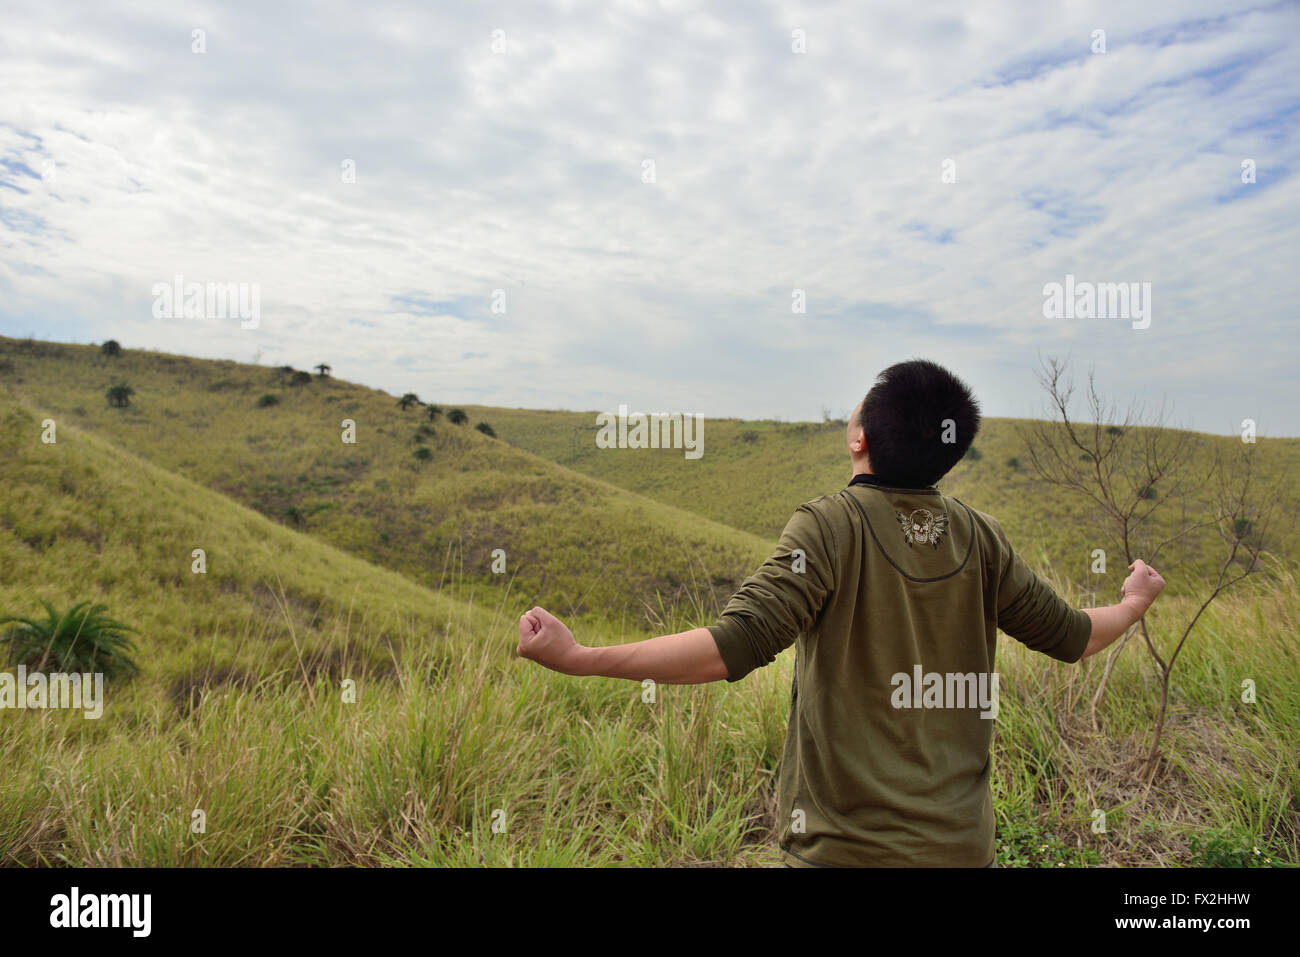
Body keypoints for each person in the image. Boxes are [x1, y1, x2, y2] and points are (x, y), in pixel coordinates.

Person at [516, 359, 1165, 867]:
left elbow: (732, 645)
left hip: (844, 850)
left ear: (859, 437)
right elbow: (1076, 638)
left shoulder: (830, 524)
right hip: (962, 850)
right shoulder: (982, 537)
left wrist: (581, 658)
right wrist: (1133, 601)